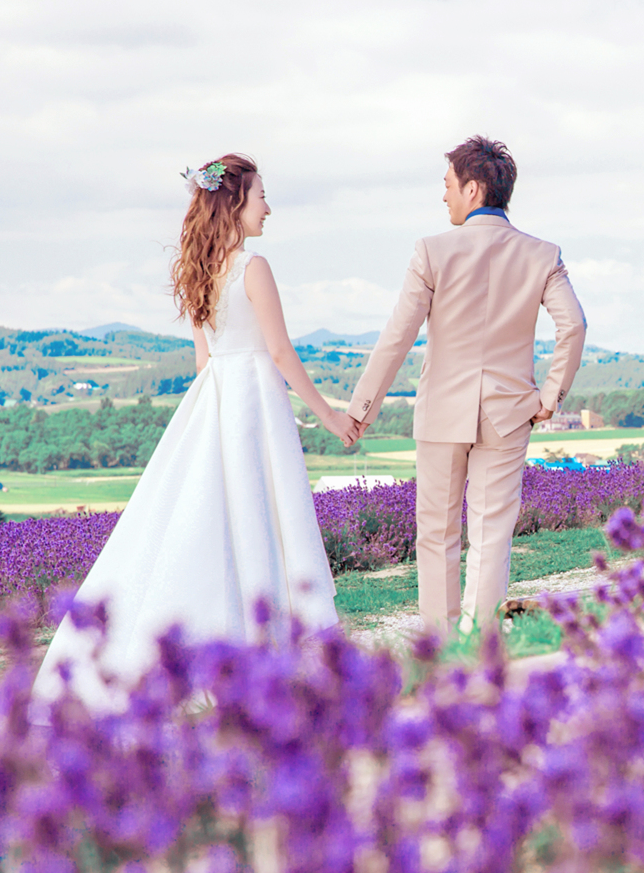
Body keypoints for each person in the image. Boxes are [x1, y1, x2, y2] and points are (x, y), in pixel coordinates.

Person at [33, 154, 357, 712]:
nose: (268, 208)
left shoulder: (201, 269)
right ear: (236, 202)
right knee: (263, 517)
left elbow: (204, 363)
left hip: (215, 401)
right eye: (261, 197)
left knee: (214, 518)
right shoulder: (253, 267)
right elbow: (278, 351)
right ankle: (268, 647)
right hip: (253, 402)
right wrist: (331, 416)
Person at [348, 136, 586, 638]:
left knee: (436, 534)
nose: (444, 197)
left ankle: (440, 643)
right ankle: (480, 642)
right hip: (509, 412)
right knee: (492, 534)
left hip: (441, 412)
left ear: (473, 188)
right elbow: (574, 325)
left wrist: (362, 408)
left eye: (448, 186)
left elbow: (398, 336)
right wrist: (550, 395)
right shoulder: (542, 254)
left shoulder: (431, 252)